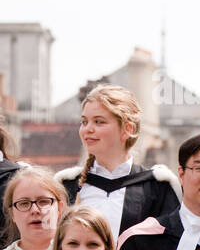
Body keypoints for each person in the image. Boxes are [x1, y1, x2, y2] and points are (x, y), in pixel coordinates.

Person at [56, 84, 180, 239]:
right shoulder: (66, 186)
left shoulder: (156, 188)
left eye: (99, 121)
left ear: (128, 129)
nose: (88, 129)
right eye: (84, 121)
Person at [0, 167, 64, 250]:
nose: (35, 210)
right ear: (12, 214)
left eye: (44, 201)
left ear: (59, 208)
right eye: (24, 203)